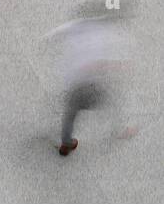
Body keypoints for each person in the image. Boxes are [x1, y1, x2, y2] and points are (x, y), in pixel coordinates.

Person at [48, 12, 131, 157]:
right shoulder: (99, 34)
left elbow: (56, 32)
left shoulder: (75, 26)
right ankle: (119, 129)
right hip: (89, 84)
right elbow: (99, 63)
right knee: (110, 102)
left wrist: (48, 39)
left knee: (70, 114)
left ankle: (66, 143)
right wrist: (118, 65)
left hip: (74, 83)